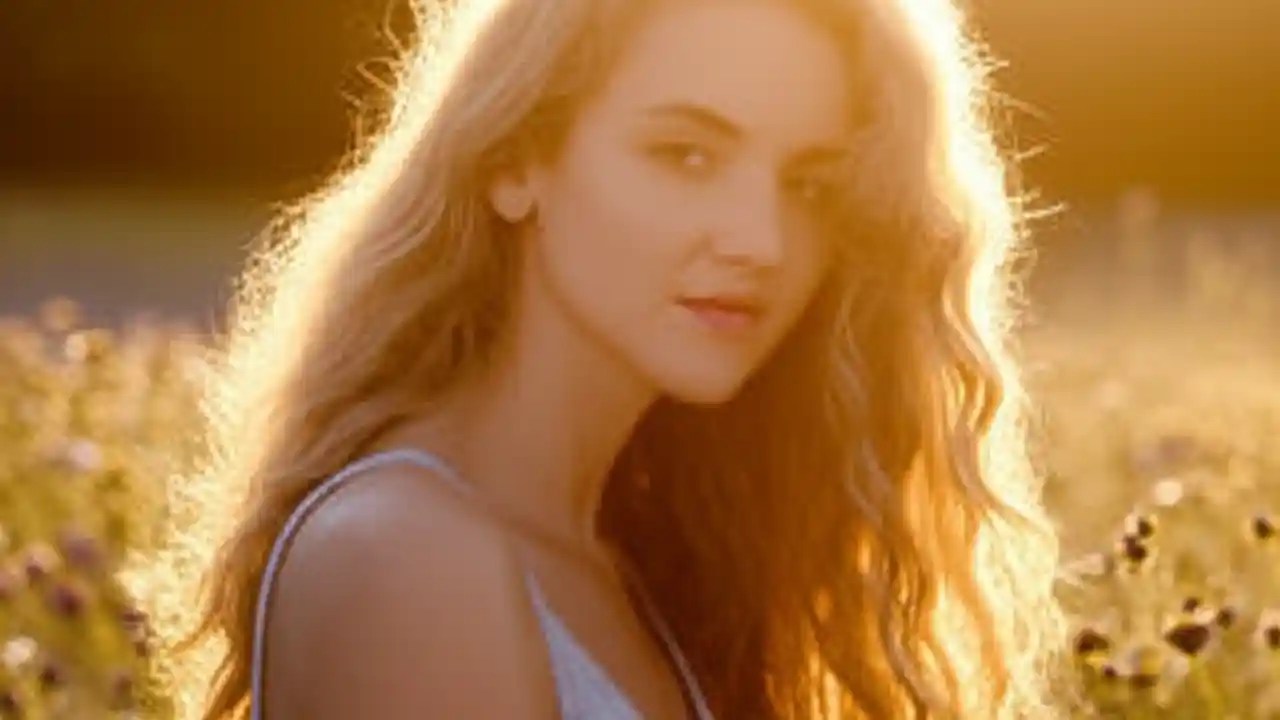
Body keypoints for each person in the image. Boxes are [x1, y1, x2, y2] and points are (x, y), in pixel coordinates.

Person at [139, 0, 1068, 717]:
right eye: (686, 155)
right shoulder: (409, 558)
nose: (762, 239)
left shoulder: (635, 564)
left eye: (808, 185)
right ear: (515, 162)